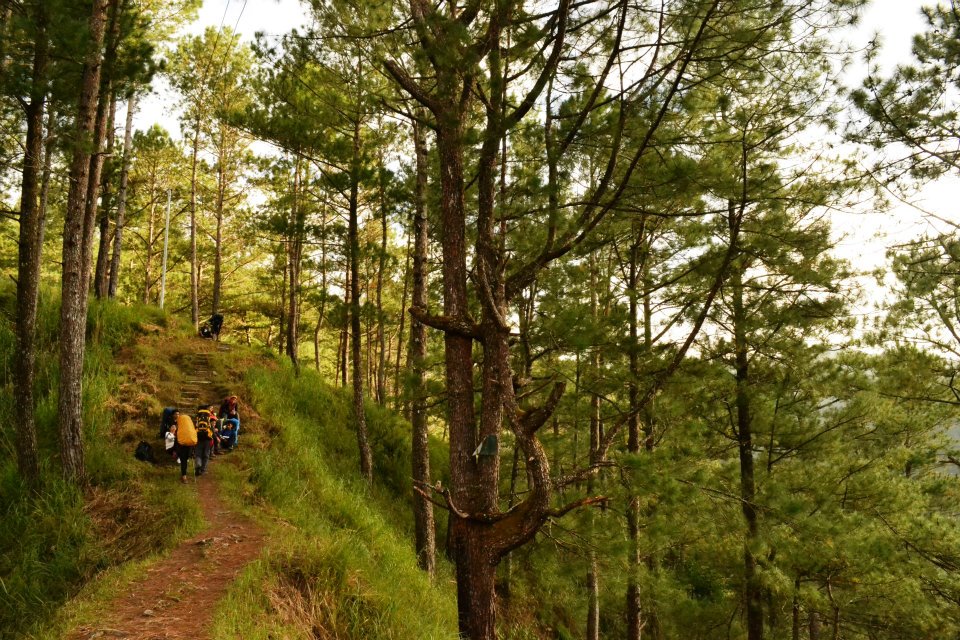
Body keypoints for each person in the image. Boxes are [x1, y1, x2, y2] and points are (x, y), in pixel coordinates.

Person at [173, 410, 196, 483]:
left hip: (182, 447)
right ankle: (184, 476)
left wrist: (175, 450)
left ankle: (184, 476)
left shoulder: (179, 428)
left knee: (183, 462)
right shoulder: (191, 428)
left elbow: (176, 440)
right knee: (185, 460)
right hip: (190, 446)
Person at [194, 405, 215, 476]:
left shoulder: (197, 418)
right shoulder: (208, 417)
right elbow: (211, 429)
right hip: (207, 439)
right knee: (206, 455)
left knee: (198, 454)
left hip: (198, 438)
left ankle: (198, 464)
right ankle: (203, 470)